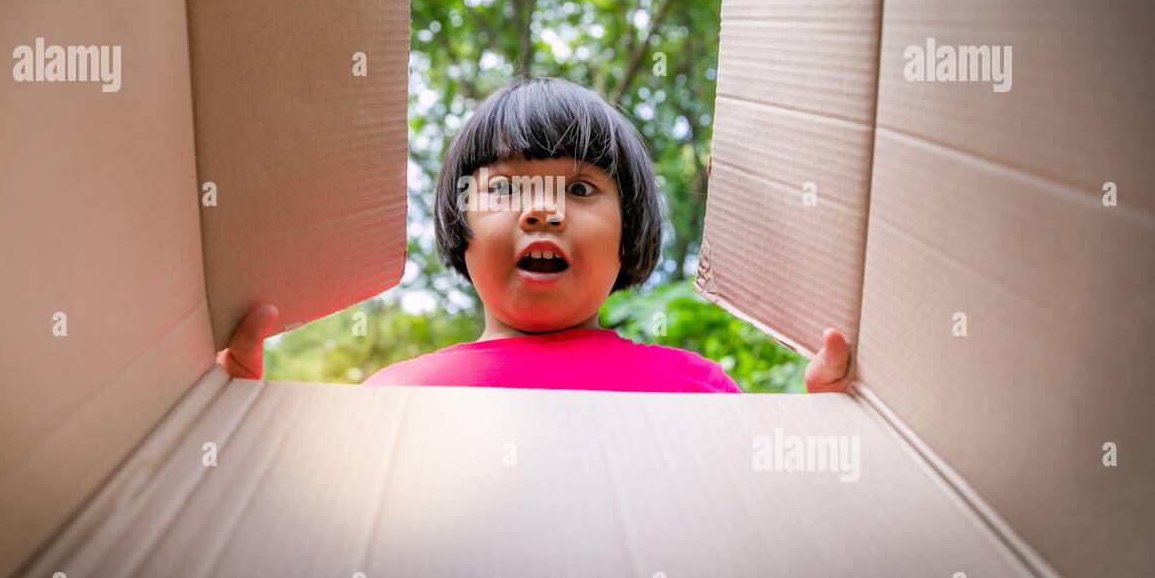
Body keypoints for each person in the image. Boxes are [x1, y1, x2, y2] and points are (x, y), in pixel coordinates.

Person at [219, 77, 851, 393]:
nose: (544, 212)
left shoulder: (695, 388)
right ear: (458, 223)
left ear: (630, 230)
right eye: (507, 188)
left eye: (580, 190)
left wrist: (823, 430)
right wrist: (246, 426)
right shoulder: (398, 396)